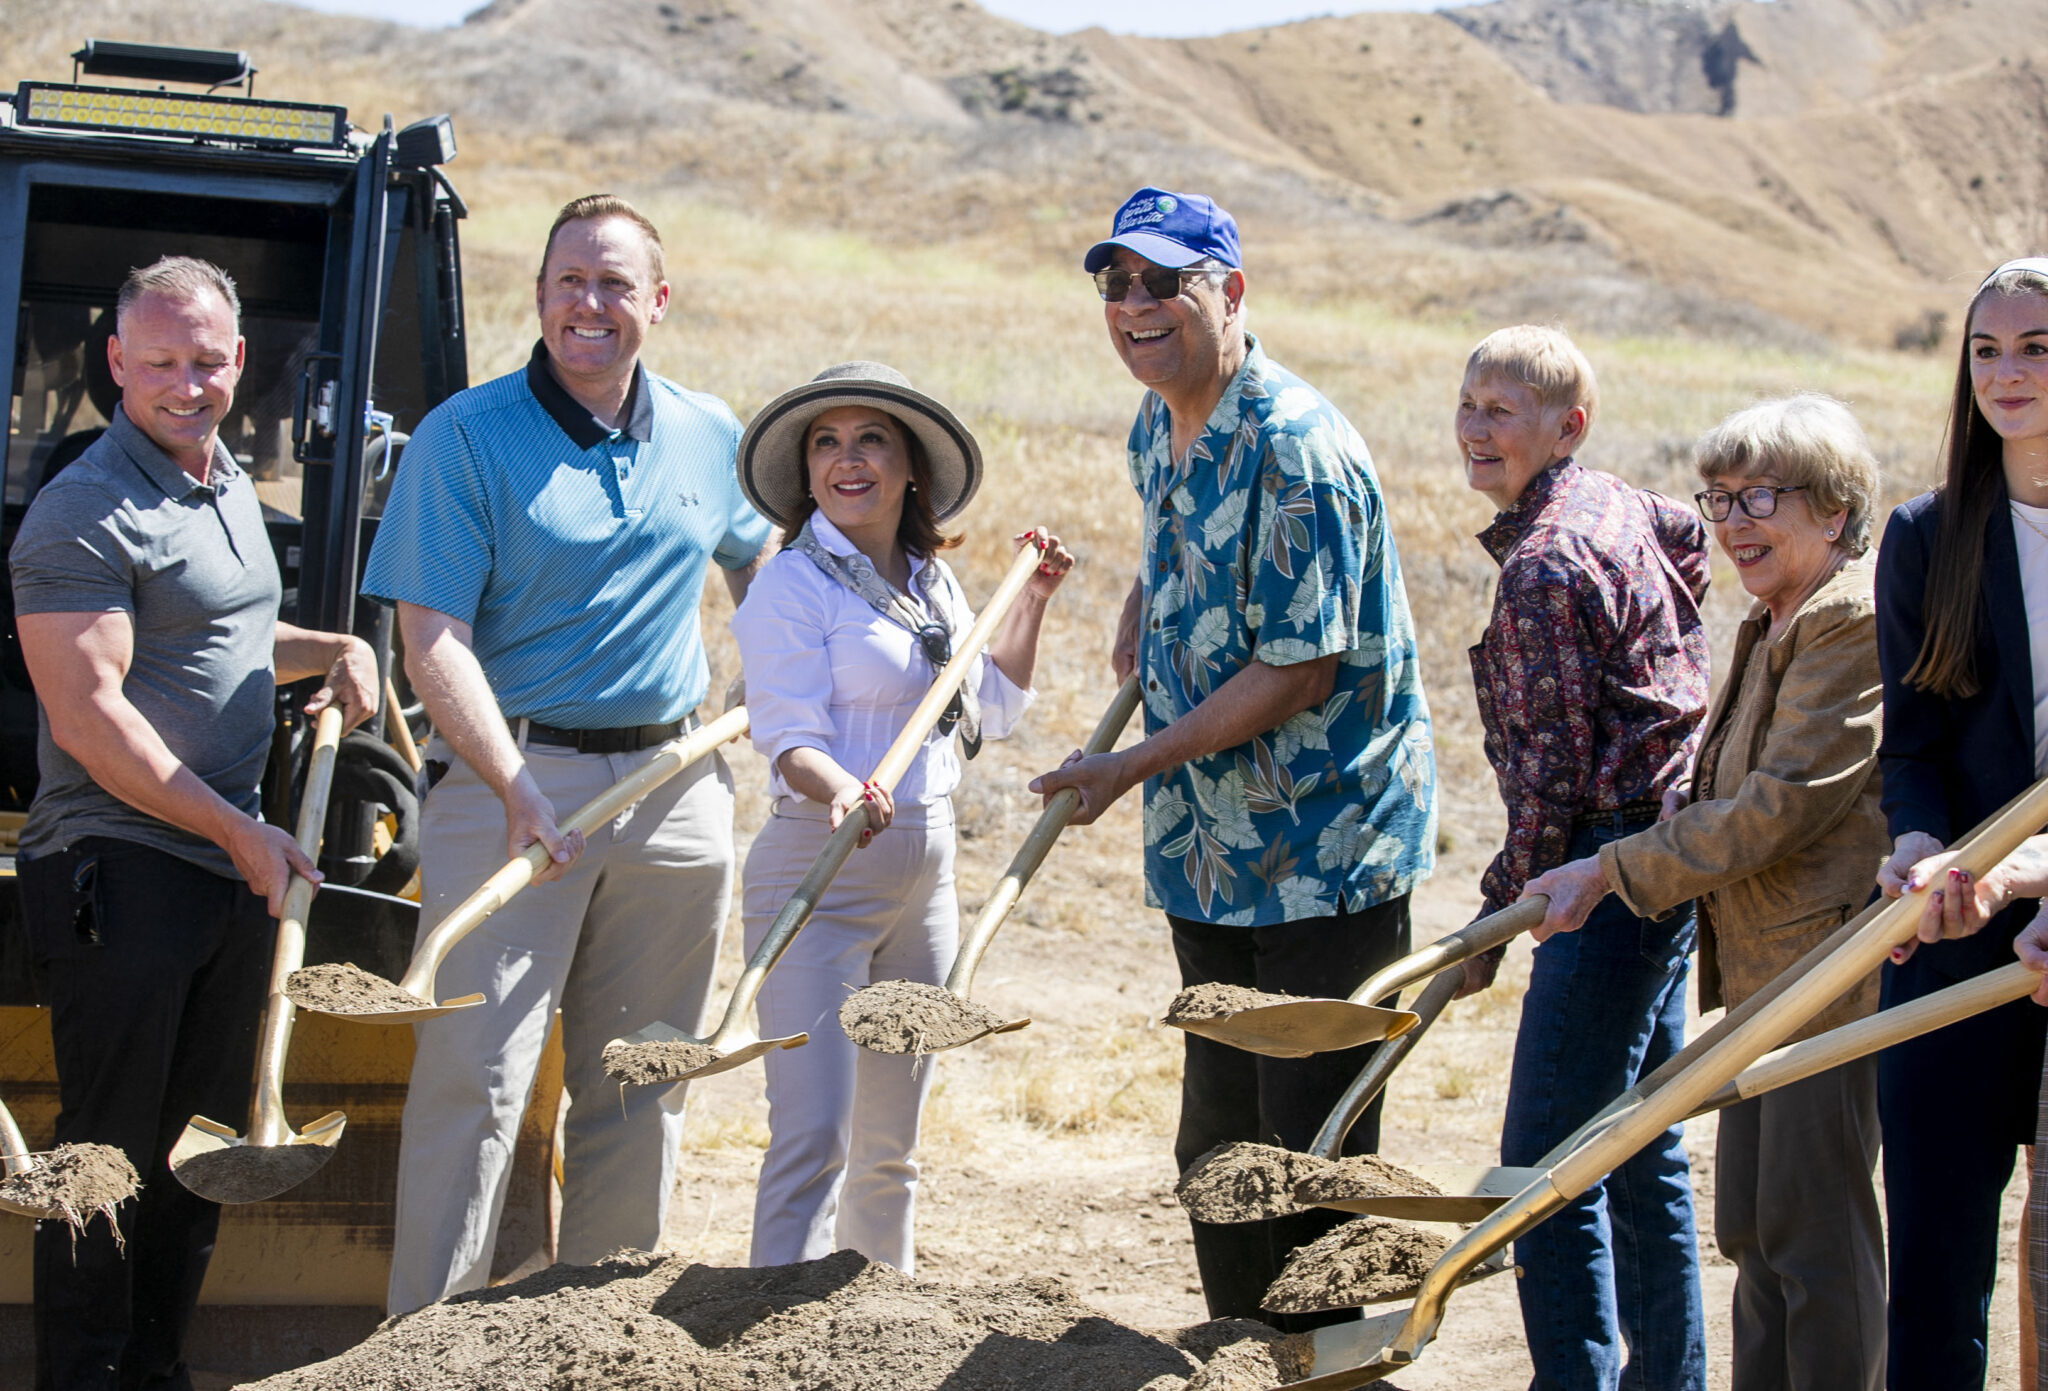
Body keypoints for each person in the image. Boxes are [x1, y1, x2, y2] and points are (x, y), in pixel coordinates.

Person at [1028, 187, 1438, 1330]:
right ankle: (1242, 1354)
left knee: (1308, 1154)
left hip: (1320, 849)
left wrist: (1129, 763)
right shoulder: (1155, 424)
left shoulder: (1294, 446)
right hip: (1211, 850)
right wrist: (1147, 593)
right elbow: (1185, 536)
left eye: (1166, 282)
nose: (1137, 306)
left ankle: (1326, 1367)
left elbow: (1297, 671)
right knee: (1218, 1141)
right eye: (1116, 284)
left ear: (1232, 291)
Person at [361, 195, 772, 1315]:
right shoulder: (468, 434)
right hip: (510, 791)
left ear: (657, 301)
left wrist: (771, 686)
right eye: (567, 282)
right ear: (538, 294)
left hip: (675, 791)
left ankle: (597, 1336)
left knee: (642, 1078)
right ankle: (423, 1352)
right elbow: (428, 632)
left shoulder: (704, 431)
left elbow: (762, 569)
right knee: (475, 1082)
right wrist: (510, 782)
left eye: (613, 285)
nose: (588, 305)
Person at [9, 256, 377, 1391]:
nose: (186, 382)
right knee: (106, 1155)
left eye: (206, 361)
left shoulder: (219, 488)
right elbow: (89, 711)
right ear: (116, 363)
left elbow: (212, 634)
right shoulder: (83, 506)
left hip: (225, 863)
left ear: (241, 362)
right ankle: (84, 1374)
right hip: (119, 866)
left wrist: (336, 649)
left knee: (196, 1151)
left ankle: (158, 1366)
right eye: (159, 362)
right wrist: (235, 829)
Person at [1524, 393, 1889, 1391]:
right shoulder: (1771, 621)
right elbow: (1720, 791)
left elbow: (1778, 805)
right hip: (1766, 977)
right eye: (1718, 498)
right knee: (1754, 1228)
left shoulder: (1844, 619)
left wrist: (1613, 869)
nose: (1731, 522)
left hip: (1824, 977)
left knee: (1811, 1235)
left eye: (1758, 496)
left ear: (1831, 509)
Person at [729, 361, 1071, 1270]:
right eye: (827, 443)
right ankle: (775, 1345)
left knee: (891, 1150)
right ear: (804, 473)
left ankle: (878, 1335)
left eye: (871, 438)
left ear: (910, 464)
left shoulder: (935, 582)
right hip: (819, 869)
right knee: (813, 1141)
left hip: (925, 876)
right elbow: (788, 739)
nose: (850, 461)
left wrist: (1029, 599)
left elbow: (991, 708)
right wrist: (840, 787)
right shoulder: (790, 588)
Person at [1456, 324, 1710, 1390]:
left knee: (1541, 1164)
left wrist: (1493, 915)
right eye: (1467, 405)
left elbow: (1549, 778)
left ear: (1568, 424)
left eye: (1500, 411)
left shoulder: (1546, 563)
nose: (1474, 429)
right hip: (1666, 854)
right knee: (1637, 1141)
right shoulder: (1613, 502)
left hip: (1604, 867)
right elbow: (1688, 532)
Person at [1872, 256, 2048, 1390]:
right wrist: (1916, 846)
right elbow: (1913, 745)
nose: (2004, 372)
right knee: (1934, 1267)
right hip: (1956, 921)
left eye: (2034, 346)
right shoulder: (1926, 533)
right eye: (1984, 349)